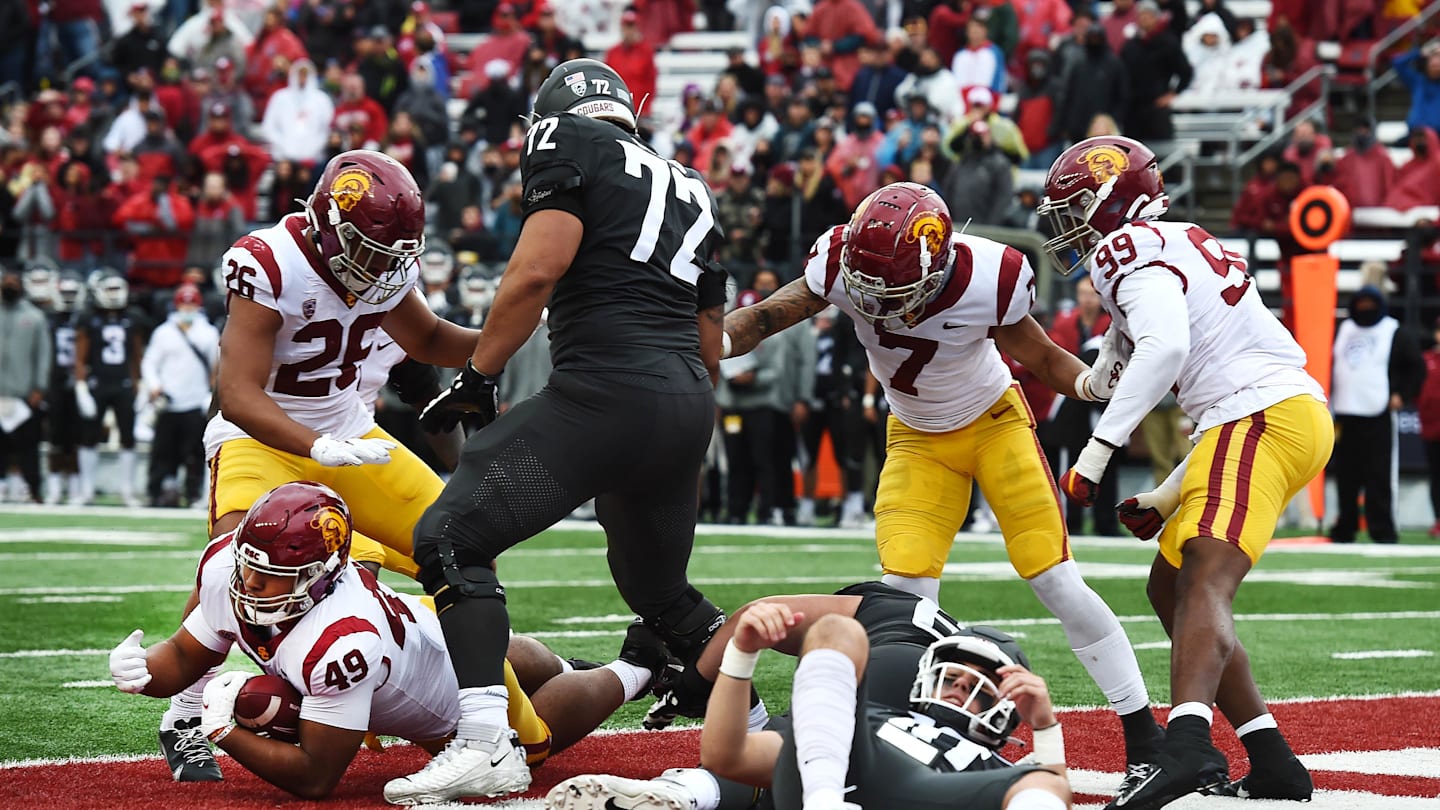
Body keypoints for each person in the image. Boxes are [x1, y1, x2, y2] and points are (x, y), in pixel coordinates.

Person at [715, 181, 1164, 783]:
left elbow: (1041, 357)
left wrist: (1092, 386)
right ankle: (912, 739)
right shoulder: (841, 261)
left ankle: (1143, 733)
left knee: (1053, 577)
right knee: (903, 600)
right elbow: (768, 315)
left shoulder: (991, 277)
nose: (875, 302)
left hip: (993, 424)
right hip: (915, 436)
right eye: (865, 287)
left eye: (892, 290)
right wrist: (710, 342)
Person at [383, 58, 730, 804]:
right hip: (685, 400)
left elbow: (537, 273)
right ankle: (760, 736)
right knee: (660, 592)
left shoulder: (565, 141)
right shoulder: (692, 185)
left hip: (608, 393)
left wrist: (478, 375)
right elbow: (711, 338)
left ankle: (484, 744)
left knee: (449, 537)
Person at [156, 149, 482, 783]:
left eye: (391, 257)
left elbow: (432, 341)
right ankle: (185, 714)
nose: (379, 270)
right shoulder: (270, 261)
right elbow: (239, 394)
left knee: (462, 547)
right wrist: (313, 446)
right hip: (262, 433)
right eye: (367, 251)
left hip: (349, 433)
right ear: (329, 224)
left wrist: (526, 326)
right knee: (233, 560)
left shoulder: (376, 264)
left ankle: (481, 721)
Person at [1041, 135, 1330, 807]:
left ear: (1116, 201)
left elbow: (1168, 346)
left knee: (1204, 576)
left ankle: (1188, 745)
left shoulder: (1126, 251)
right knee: (1169, 585)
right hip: (1258, 418)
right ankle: (1272, 759)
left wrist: (1098, 449)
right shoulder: (1176, 239)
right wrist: (1171, 492)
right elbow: (1165, 353)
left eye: (1078, 206)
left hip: (1258, 416)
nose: (1069, 224)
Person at [107, 482, 675, 800]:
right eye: (247, 566)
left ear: (320, 574)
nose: (250, 585)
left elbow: (317, 777)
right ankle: (571, 663)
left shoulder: (337, 639)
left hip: (441, 696)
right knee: (498, 657)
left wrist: (224, 730)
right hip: (422, 628)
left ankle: (638, 665)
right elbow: (186, 654)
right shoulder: (228, 569)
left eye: (272, 575)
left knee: (530, 745)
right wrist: (142, 670)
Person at [550, 587, 1072, 810]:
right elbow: (728, 753)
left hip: (937, 791)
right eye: (952, 677)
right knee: (835, 646)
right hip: (851, 771)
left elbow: (1053, 786)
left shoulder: (992, 762)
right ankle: (689, 793)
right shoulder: (867, 721)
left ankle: (692, 794)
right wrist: (743, 658)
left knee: (1037, 786)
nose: (958, 688)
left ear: (1006, 712)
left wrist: (1045, 726)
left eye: (976, 688)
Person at [1328, 286, 1424, 545]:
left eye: (1371, 303)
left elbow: (1415, 367)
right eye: (1362, 303)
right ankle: (1344, 528)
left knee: (1379, 476)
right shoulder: (1343, 329)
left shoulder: (1395, 331)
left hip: (1378, 413)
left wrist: (1402, 395)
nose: (1365, 308)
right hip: (1345, 415)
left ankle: (1382, 531)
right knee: (1345, 476)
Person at [140, 283, 219, 508]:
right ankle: (157, 492)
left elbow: (216, 367)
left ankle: (192, 493)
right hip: (169, 401)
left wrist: (210, 395)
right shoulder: (163, 332)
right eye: (183, 303)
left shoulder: (209, 332)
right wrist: (154, 385)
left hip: (195, 401)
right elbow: (150, 362)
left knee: (194, 453)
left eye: (191, 303)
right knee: (162, 452)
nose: (187, 308)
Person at [73, 270, 146, 508]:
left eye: (117, 289)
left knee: (128, 436)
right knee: (89, 436)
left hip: (123, 382)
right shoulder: (88, 318)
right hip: (98, 383)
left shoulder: (132, 317)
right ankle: (87, 489)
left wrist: (140, 383)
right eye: (109, 290)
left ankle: (127, 489)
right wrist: (81, 386)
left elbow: (137, 354)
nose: (114, 295)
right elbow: (80, 356)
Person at [0, 267, 51, 505]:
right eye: (6, 281)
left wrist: (39, 387)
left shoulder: (34, 317)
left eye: (14, 281)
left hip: (24, 394)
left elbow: (43, 355)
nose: (10, 285)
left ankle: (32, 487)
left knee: (28, 446)